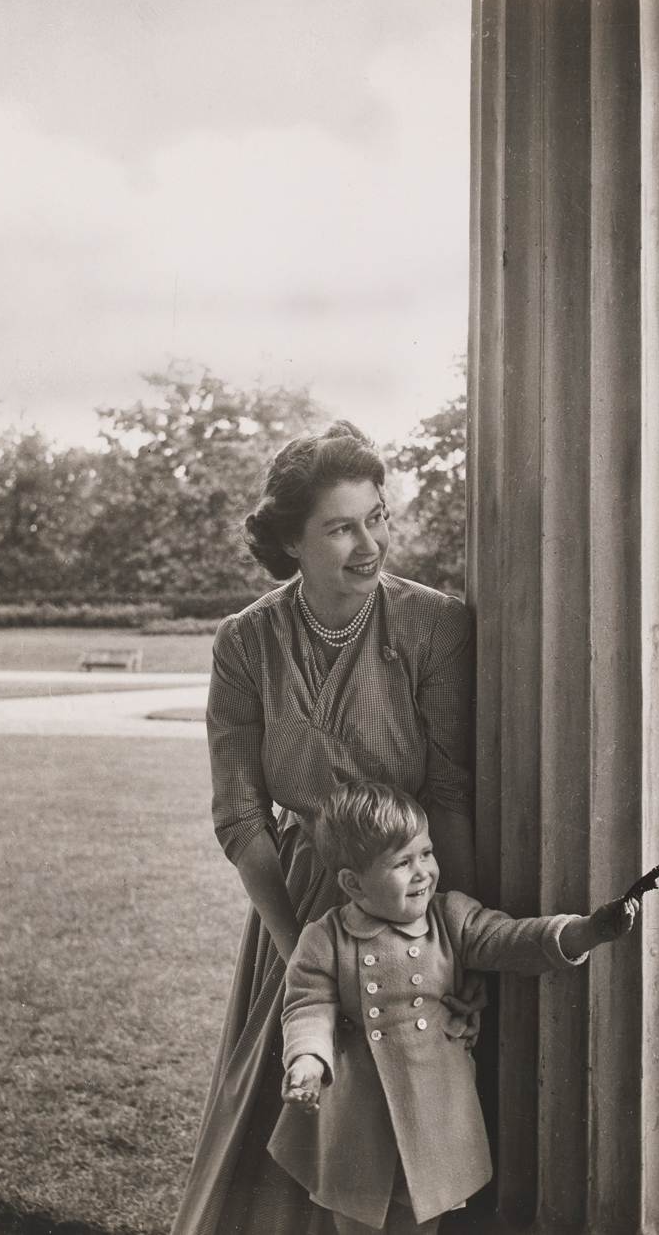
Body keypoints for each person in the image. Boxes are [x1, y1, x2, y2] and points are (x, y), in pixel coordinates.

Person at [171, 421, 482, 1235]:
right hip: (295, 910)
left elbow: (449, 795)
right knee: (290, 1118)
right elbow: (240, 816)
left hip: (410, 912)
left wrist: (449, 934)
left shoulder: (434, 627)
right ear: (291, 543)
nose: (370, 543)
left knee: (408, 1141)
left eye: (377, 517)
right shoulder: (245, 643)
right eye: (342, 527)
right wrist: (299, 955)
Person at [269, 782, 637, 1235]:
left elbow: (513, 939)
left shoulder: (451, 917)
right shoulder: (325, 938)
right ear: (352, 883)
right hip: (358, 1120)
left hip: (434, 1115)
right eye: (402, 863)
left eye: (426, 853)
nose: (422, 872)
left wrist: (586, 931)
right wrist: (306, 1058)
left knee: (424, 1216)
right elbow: (308, 1006)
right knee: (356, 1217)